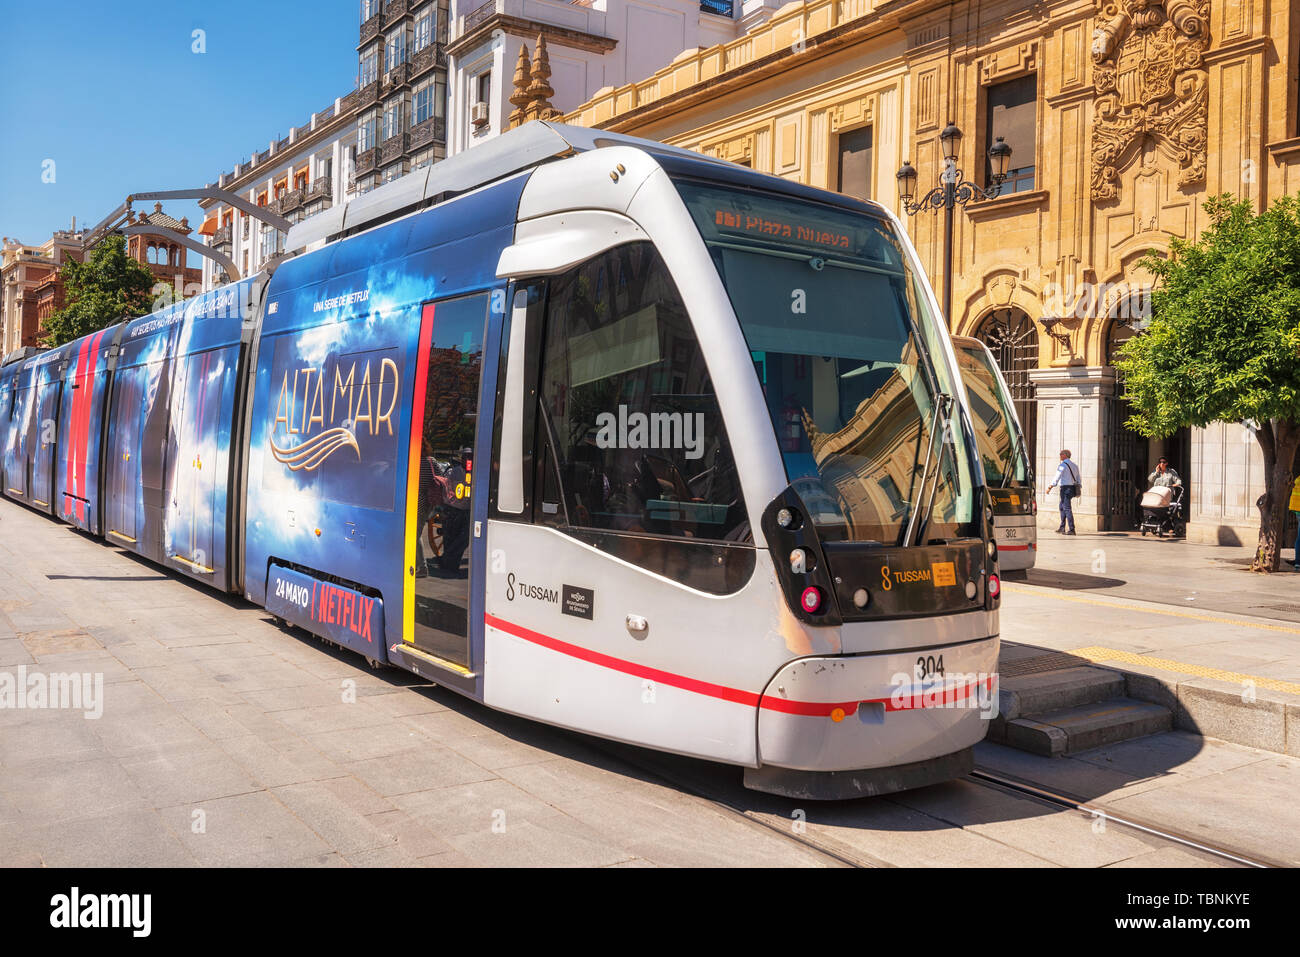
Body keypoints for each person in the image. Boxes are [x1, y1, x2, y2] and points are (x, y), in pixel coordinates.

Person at [1046, 448, 1081, 535]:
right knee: (1062, 506)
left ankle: (1072, 529)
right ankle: (1062, 527)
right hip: (1072, 488)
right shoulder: (1074, 465)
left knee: (1067, 508)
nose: (1060, 455)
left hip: (1065, 489)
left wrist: (1050, 486)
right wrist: (1079, 486)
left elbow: (1057, 476)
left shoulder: (1063, 465)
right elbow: (1078, 478)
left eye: (1061, 454)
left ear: (1065, 455)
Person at [1290, 474, 1300, 571]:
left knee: (1299, 537)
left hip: (1297, 511)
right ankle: (1298, 561)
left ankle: (1297, 562)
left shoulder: (1298, 479)